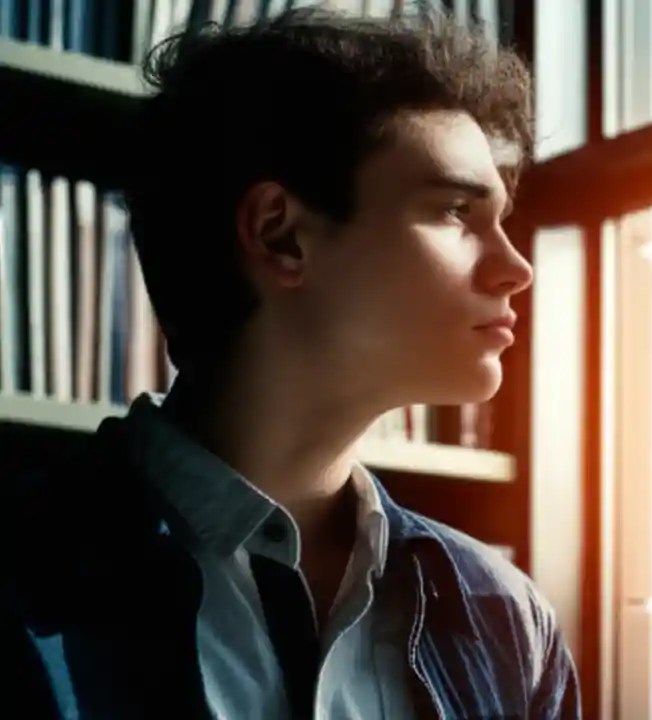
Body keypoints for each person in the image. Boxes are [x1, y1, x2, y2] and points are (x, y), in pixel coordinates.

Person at [1, 7, 580, 719]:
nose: (516, 268)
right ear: (281, 236)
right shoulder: (20, 579)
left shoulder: (506, 620)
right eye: (456, 211)